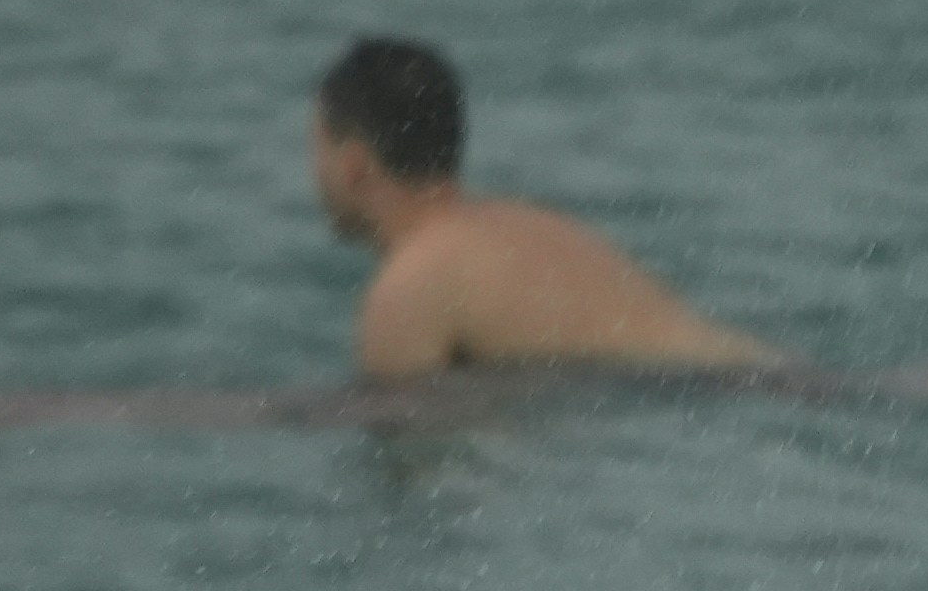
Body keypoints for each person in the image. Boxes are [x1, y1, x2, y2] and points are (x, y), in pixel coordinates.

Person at [305, 35, 778, 379]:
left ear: (354, 166)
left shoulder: (407, 288)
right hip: (773, 379)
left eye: (317, 150)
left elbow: (421, 472)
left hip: (702, 403)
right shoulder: (529, 225)